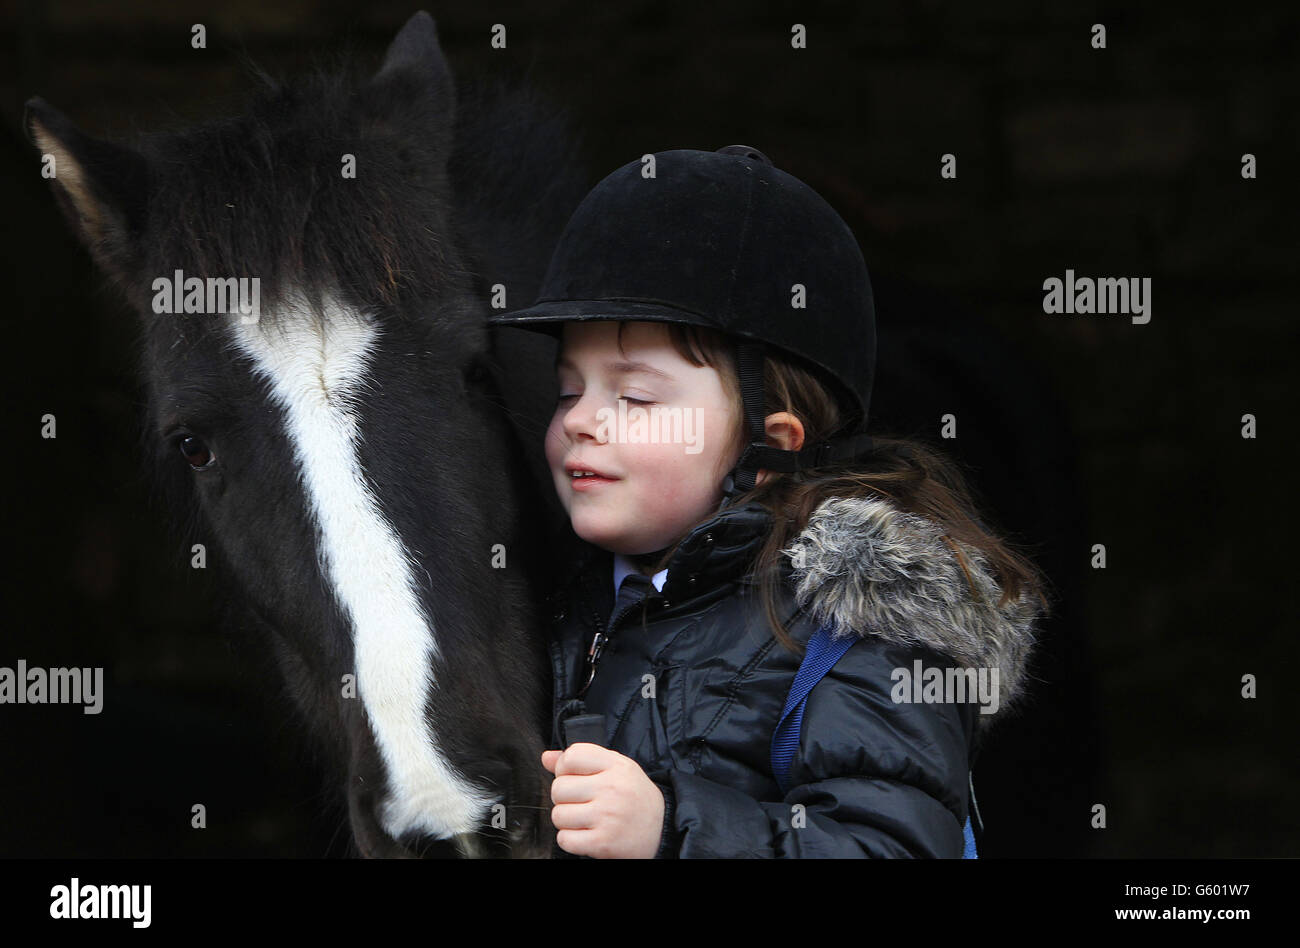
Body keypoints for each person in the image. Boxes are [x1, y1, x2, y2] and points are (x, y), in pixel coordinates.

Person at [488, 146, 1051, 858]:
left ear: (771, 444)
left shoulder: (853, 631)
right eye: (570, 390)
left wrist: (670, 829)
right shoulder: (558, 598)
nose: (579, 419)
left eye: (633, 396)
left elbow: (893, 848)